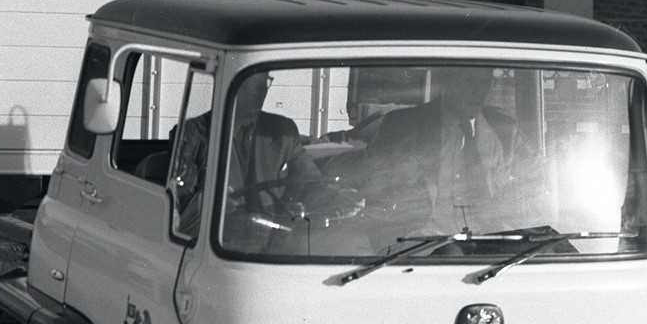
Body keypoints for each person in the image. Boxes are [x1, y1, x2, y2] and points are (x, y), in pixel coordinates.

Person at [156, 74, 331, 241]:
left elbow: (312, 183)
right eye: (253, 84)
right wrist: (218, 206)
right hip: (219, 245)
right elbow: (182, 204)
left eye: (265, 82)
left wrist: (299, 204)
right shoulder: (192, 134)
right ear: (229, 85)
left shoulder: (281, 131)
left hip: (277, 241)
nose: (261, 91)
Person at [357, 65, 521, 230]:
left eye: (485, 82)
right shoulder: (402, 126)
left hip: (491, 244)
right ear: (447, 81)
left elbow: (531, 183)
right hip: (421, 245)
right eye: (468, 81)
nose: (478, 91)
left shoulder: (504, 130)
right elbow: (374, 194)